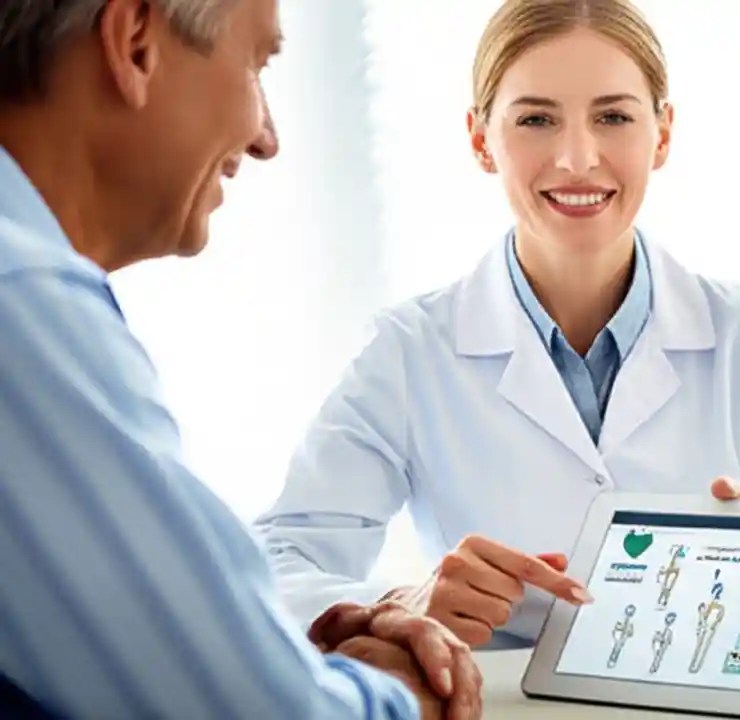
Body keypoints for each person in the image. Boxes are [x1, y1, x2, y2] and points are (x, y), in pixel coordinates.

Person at [256, 0, 740, 653]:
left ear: (661, 134)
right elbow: (273, 566)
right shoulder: (409, 350)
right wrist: (395, 608)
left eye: (613, 117)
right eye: (536, 119)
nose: (577, 158)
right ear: (479, 139)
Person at [0, 1, 481, 717]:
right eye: (256, 64)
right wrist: (403, 694)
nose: (266, 137)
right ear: (134, 44)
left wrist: (291, 654)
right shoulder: (25, 305)